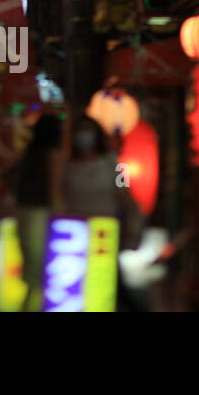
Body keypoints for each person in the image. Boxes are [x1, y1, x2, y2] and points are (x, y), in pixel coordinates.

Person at [9, 113, 64, 312]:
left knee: (31, 272)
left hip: (24, 212)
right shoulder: (53, 154)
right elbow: (55, 190)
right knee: (42, 272)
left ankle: (26, 306)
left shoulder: (28, 153)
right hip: (42, 215)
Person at [62, 115, 142, 250]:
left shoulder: (115, 165)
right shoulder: (66, 167)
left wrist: (133, 231)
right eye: (80, 131)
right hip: (74, 234)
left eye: (87, 130)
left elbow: (127, 197)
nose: (84, 135)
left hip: (104, 233)